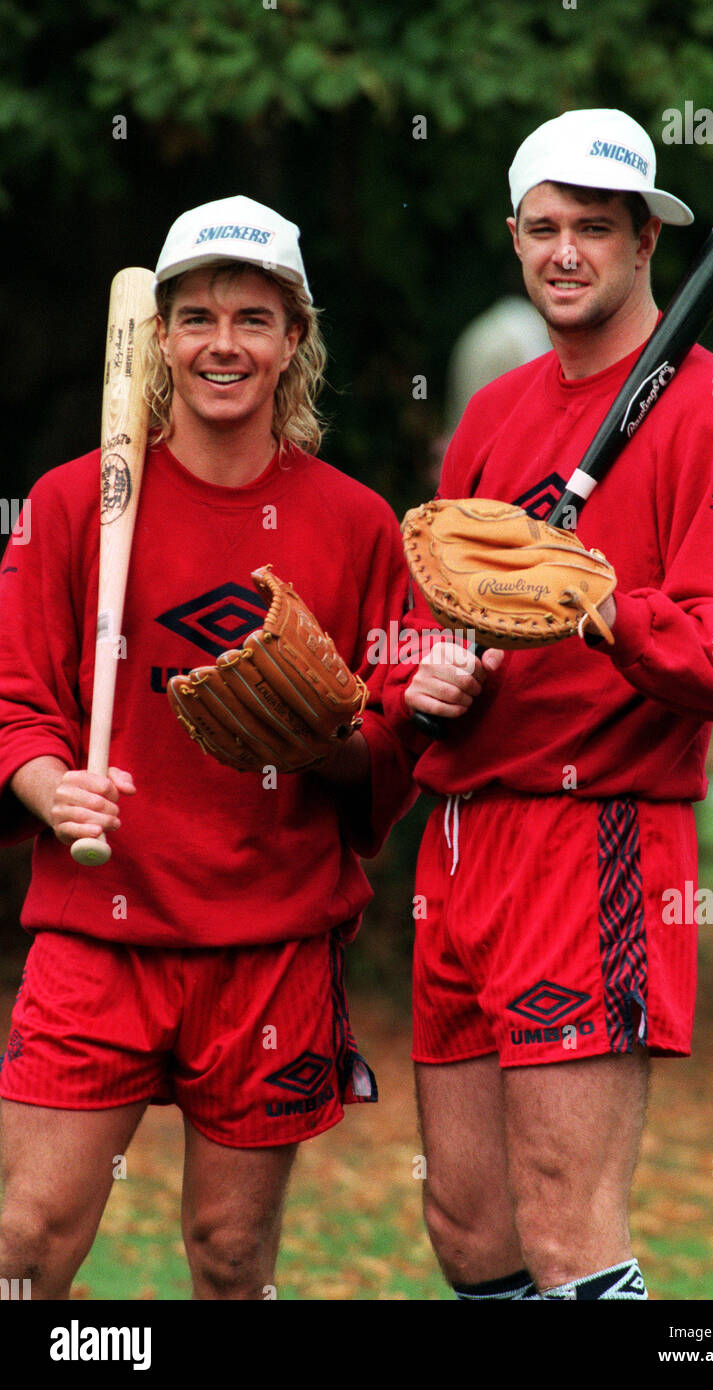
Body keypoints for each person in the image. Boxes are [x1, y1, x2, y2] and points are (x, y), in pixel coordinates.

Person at [383, 109, 713, 1301]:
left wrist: (605, 607)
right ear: (515, 238)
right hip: (462, 837)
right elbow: (448, 607)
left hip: (595, 831)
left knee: (568, 1231)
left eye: (595, 230)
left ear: (645, 244)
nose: (567, 253)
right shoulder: (495, 415)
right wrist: (432, 675)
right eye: (545, 229)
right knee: (470, 1231)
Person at [0, 195, 414, 1300]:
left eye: (252, 317)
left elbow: (390, 747)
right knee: (26, 1248)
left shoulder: (356, 523)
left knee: (231, 1260)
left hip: (267, 940)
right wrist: (54, 788)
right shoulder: (70, 504)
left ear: (293, 342)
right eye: (193, 316)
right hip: (99, 932)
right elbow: (15, 699)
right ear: (162, 336)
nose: (221, 342)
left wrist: (317, 739)